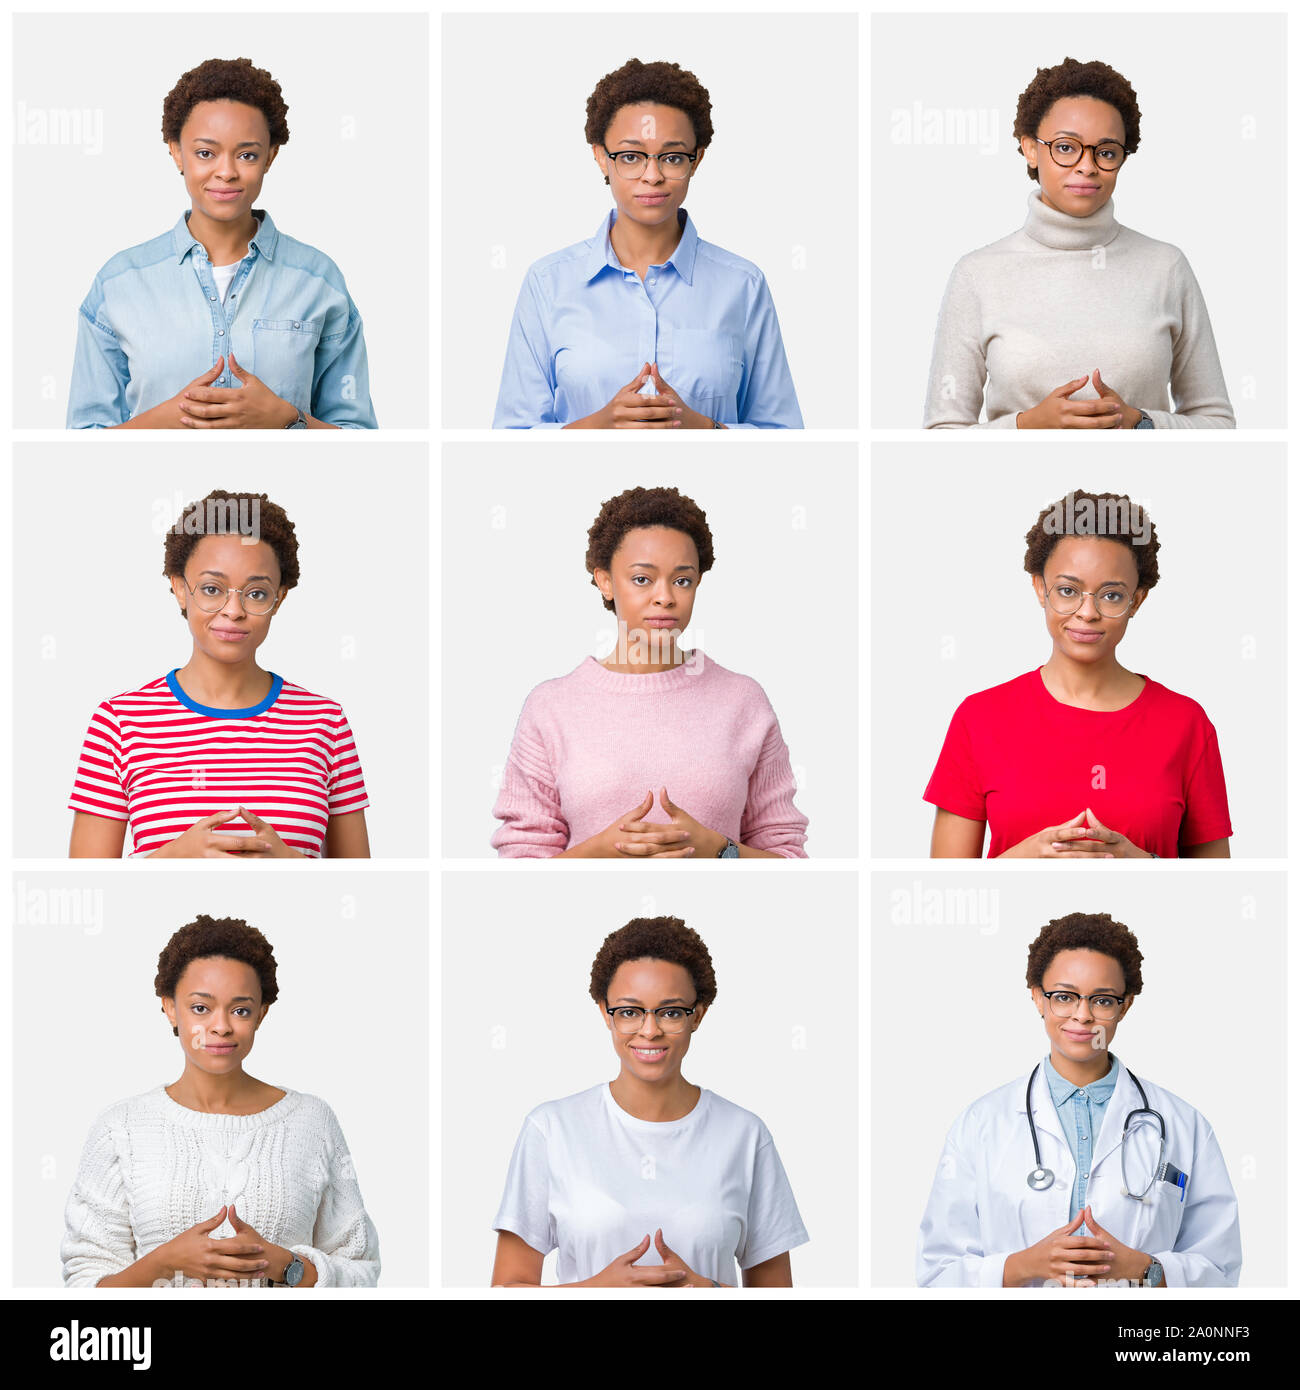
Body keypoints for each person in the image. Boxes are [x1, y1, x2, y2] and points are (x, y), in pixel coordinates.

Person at [916, 912, 1241, 1287]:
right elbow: (937, 1273)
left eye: (1102, 1000)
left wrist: (1144, 1268)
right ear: (1038, 998)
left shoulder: (1185, 1125)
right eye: (1064, 997)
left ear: (1126, 1005)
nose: (1082, 1016)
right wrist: (1026, 1265)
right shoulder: (981, 1123)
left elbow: (1221, 1268)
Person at [61, 915, 380, 1287]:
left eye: (241, 1010)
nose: (221, 1026)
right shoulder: (121, 1128)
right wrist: (164, 1262)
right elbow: (82, 1285)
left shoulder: (312, 1121)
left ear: (261, 1014)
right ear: (169, 1007)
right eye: (200, 1008)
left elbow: (362, 1270)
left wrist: (285, 1265)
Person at [491, 485, 808, 858]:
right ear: (606, 581)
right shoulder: (550, 706)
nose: (665, 597)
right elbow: (519, 867)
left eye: (682, 580)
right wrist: (600, 852)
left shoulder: (743, 700)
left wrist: (719, 850)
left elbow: (789, 860)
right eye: (642, 579)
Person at [491, 916, 808, 1286]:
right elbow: (506, 1289)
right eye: (629, 1011)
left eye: (671, 1012)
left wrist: (711, 1290)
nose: (649, 1030)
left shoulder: (746, 1135)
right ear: (604, 1014)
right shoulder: (550, 1129)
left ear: (698, 1015)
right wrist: (594, 1289)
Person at [923, 57, 1233, 429]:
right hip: (1012, 486)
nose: (1087, 166)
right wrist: (1026, 426)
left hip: (1145, 486)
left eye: (1105, 152)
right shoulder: (977, 274)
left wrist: (1141, 423)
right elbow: (942, 433)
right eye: (1066, 147)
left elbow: (1217, 423)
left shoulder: (1166, 267)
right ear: (1030, 149)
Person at [67, 56, 376, 429]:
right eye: (205, 153)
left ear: (270, 156)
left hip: (286, 489)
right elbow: (79, 446)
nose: (226, 171)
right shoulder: (118, 283)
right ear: (176, 151)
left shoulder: (318, 279)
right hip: (156, 489)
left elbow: (361, 442)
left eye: (247, 154)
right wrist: (162, 421)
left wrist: (286, 419)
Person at [492, 58, 801, 429]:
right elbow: (511, 437)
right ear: (600, 158)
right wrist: (599, 425)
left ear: (696, 159)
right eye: (631, 157)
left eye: (672, 157)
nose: (652, 176)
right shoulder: (547, 282)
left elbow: (784, 436)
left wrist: (703, 428)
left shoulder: (743, 284)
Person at [925, 490, 1231, 859]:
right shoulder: (979, 718)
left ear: (1137, 600)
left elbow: (1216, 892)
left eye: (1112, 595)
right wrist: (1021, 860)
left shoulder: (1186, 723)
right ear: (1040, 588)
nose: (1087, 612)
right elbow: (948, 885)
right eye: (1068, 590)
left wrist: (1143, 864)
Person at [68, 489, 371, 858]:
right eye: (212, 589)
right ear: (180, 589)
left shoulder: (326, 723)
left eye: (256, 593)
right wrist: (172, 859)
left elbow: (358, 886)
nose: (234, 610)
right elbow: (92, 884)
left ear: (280, 598)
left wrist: (292, 865)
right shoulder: (118, 722)